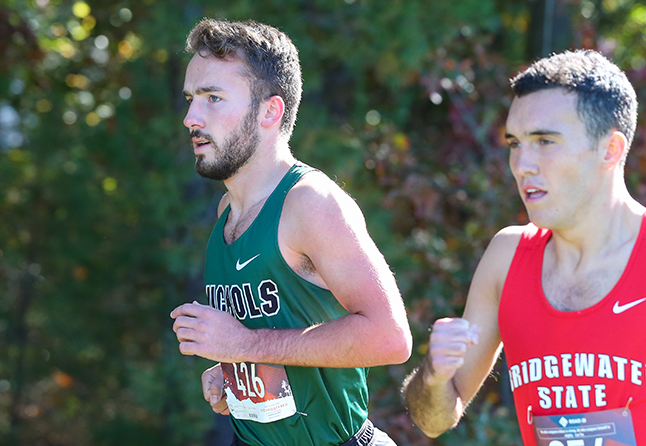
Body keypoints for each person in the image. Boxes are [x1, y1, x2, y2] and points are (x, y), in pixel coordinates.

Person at [170, 18, 412, 446]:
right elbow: (283, 331)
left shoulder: (310, 202)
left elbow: (389, 337)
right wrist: (234, 369)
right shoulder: (229, 208)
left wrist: (246, 346)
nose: (191, 117)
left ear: (269, 111)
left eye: (212, 98)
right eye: (191, 99)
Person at [401, 49, 646, 445]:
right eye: (515, 143)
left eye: (545, 141)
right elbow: (434, 420)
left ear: (610, 150)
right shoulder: (507, 257)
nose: (521, 165)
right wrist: (434, 374)